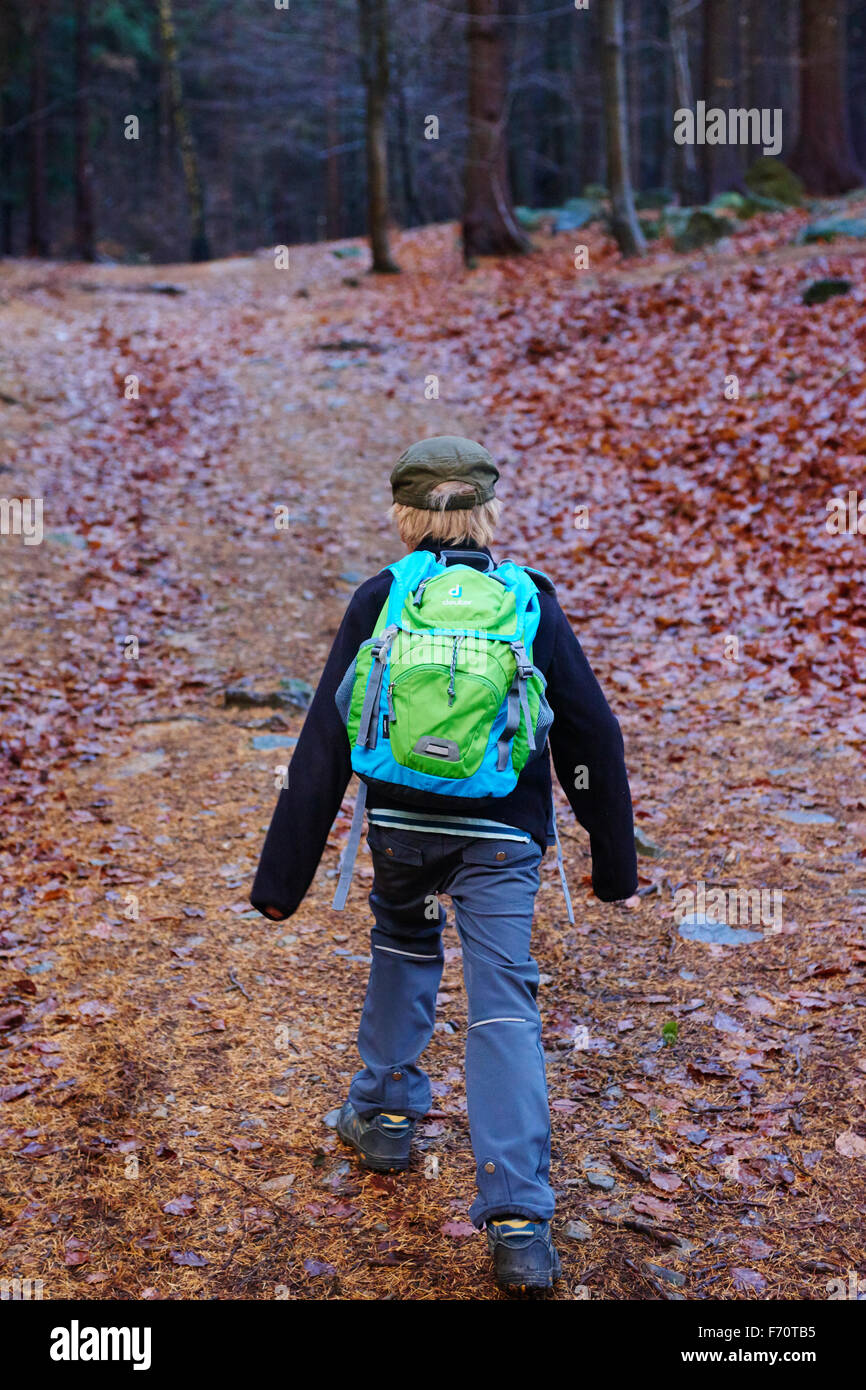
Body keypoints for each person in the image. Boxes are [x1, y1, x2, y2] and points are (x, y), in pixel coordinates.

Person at [251, 435, 637, 1290]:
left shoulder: (381, 597)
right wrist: (614, 864)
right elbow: (589, 732)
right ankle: (518, 1224)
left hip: (401, 822)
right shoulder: (528, 596)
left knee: (402, 943)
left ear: (403, 514)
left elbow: (324, 736)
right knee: (504, 1002)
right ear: (489, 511)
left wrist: (282, 881)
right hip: (501, 832)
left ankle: (385, 1112)